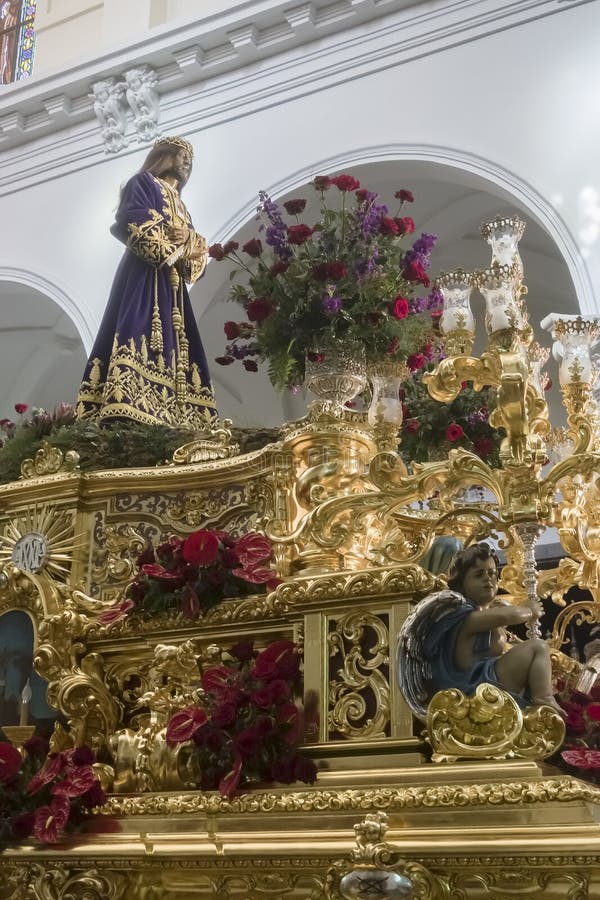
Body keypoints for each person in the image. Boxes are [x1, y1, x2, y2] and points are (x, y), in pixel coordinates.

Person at [76, 136, 217, 427]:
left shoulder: (182, 206)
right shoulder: (142, 184)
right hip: (144, 279)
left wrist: (192, 241)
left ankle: (179, 413)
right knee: (134, 331)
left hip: (174, 289)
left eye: (190, 159)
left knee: (179, 347)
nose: (187, 163)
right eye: (182, 156)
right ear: (164, 156)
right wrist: (179, 243)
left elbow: (196, 260)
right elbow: (133, 220)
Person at [397, 542, 564, 718]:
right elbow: (507, 616)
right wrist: (530, 610)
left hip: (488, 680)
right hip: (475, 687)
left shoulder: (484, 616)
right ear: (461, 583)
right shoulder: (463, 616)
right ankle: (545, 700)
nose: (488, 579)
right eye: (478, 574)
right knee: (537, 647)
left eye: (492, 573)